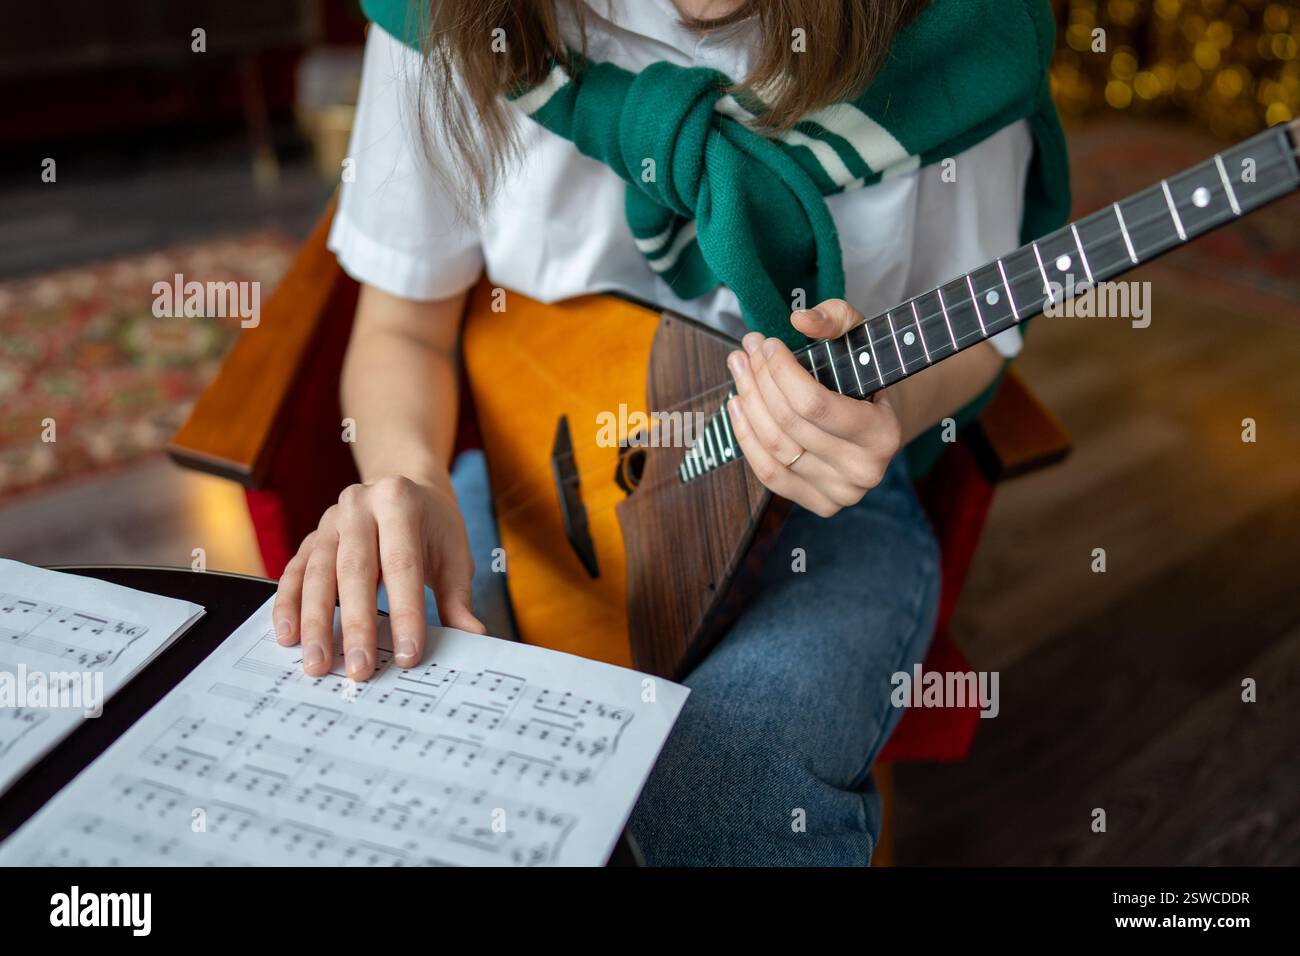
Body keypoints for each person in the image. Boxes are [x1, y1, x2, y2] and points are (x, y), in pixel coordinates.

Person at [271, 0, 1068, 865]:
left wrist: (889, 413)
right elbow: (401, 329)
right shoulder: (454, 17)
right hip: (537, 483)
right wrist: (412, 479)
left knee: (724, 790)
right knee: (384, 741)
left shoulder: (964, 33)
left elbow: (986, 324)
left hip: (822, 516)